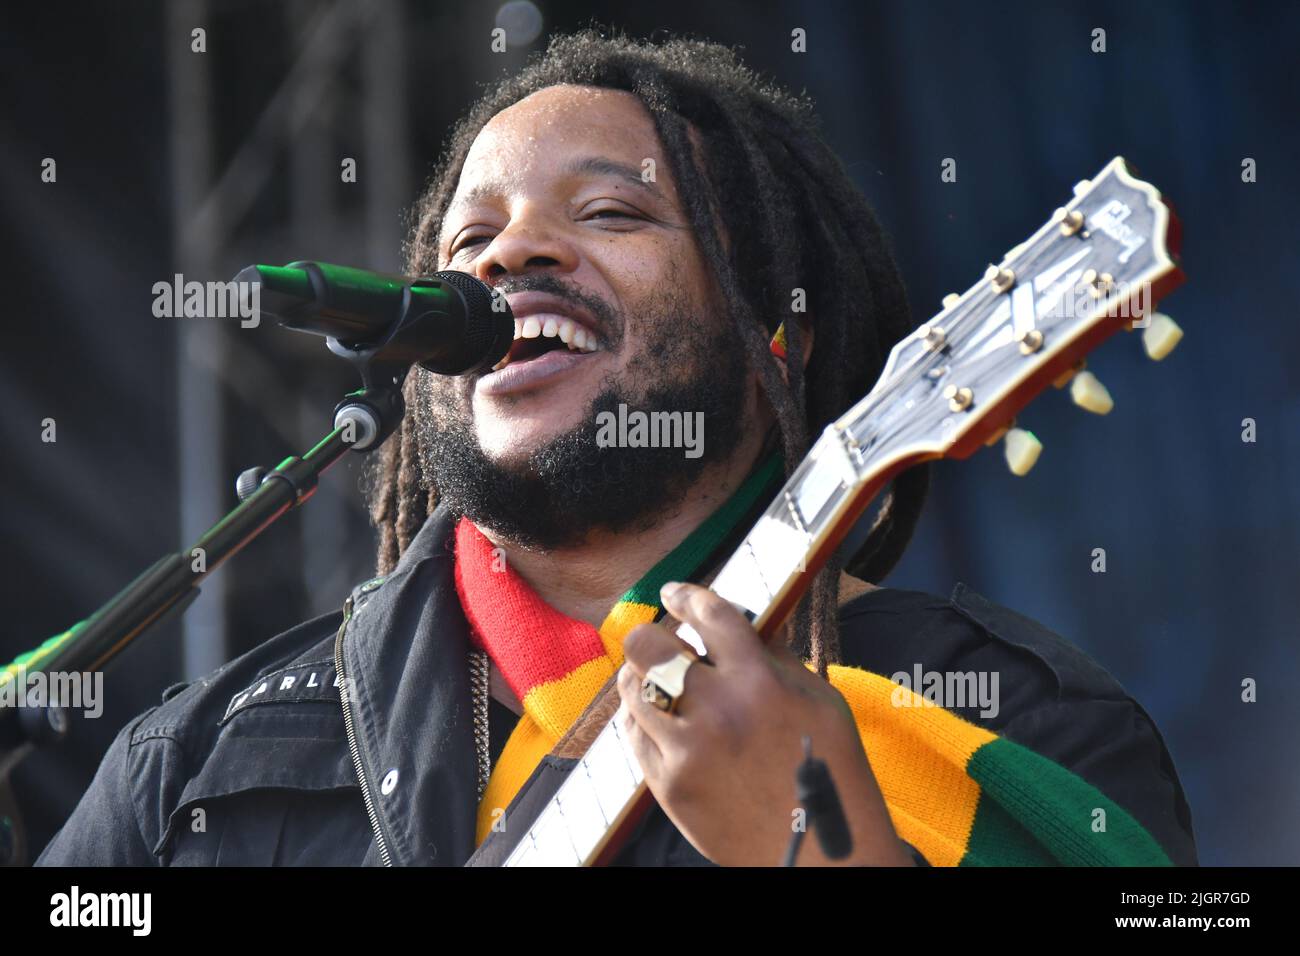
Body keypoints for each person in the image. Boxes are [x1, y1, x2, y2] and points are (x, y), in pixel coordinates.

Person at [37, 31, 1196, 867]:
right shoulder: (191, 764)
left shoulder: (1012, 724)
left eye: (609, 213)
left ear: (776, 336)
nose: (509, 255)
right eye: (471, 235)